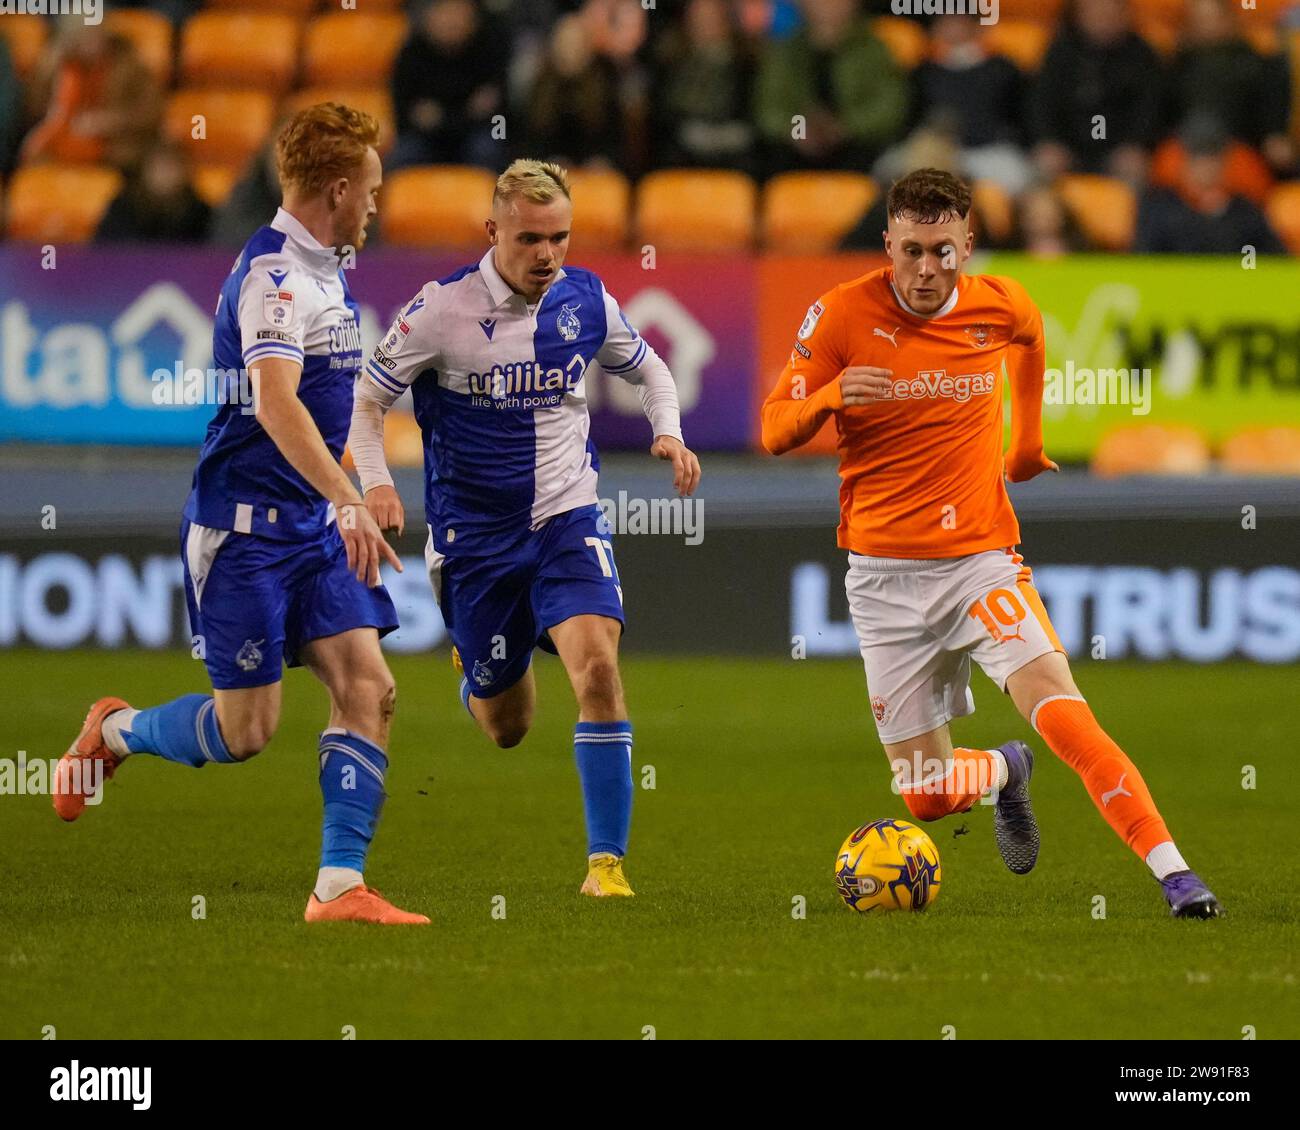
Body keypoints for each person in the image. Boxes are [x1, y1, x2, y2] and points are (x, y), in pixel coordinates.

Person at [761, 166, 1220, 919]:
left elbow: (1031, 339)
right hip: (880, 578)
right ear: (889, 243)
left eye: (942, 251)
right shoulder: (840, 314)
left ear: (968, 244)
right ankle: (1007, 771)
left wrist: (1026, 444)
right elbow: (773, 429)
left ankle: (1176, 875)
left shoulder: (999, 304)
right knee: (927, 796)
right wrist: (830, 397)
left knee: (1066, 714)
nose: (926, 269)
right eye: (912, 250)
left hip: (980, 563)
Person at [52, 104, 428, 927]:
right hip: (243, 534)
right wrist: (351, 498)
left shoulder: (327, 270)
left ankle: (339, 887)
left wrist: (355, 491)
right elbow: (276, 403)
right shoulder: (275, 278)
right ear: (337, 189)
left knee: (371, 687)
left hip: (311, 531)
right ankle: (116, 732)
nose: (377, 203)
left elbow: (333, 403)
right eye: (370, 189)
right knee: (244, 732)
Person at [347, 159, 701, 897]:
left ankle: (606, 867)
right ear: (493, 231)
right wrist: (375, 484)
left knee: (598, 669)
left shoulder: (585, 299)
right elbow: (367, 401)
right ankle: (475, 670)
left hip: (567, 517)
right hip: (475, 544)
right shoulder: (439, 310)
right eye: (530, 239)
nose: (547, 254)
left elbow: (650, 369)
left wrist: (668, 430)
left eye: (560, 238)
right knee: (507, 727)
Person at [95, 142, 212, 243]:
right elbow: (105, 249)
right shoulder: (124, 206)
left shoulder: (200, 212)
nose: (165, 175)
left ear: (185, 172)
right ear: (145, 171)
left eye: (171, 168)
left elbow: (209, 251)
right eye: (159, 168)